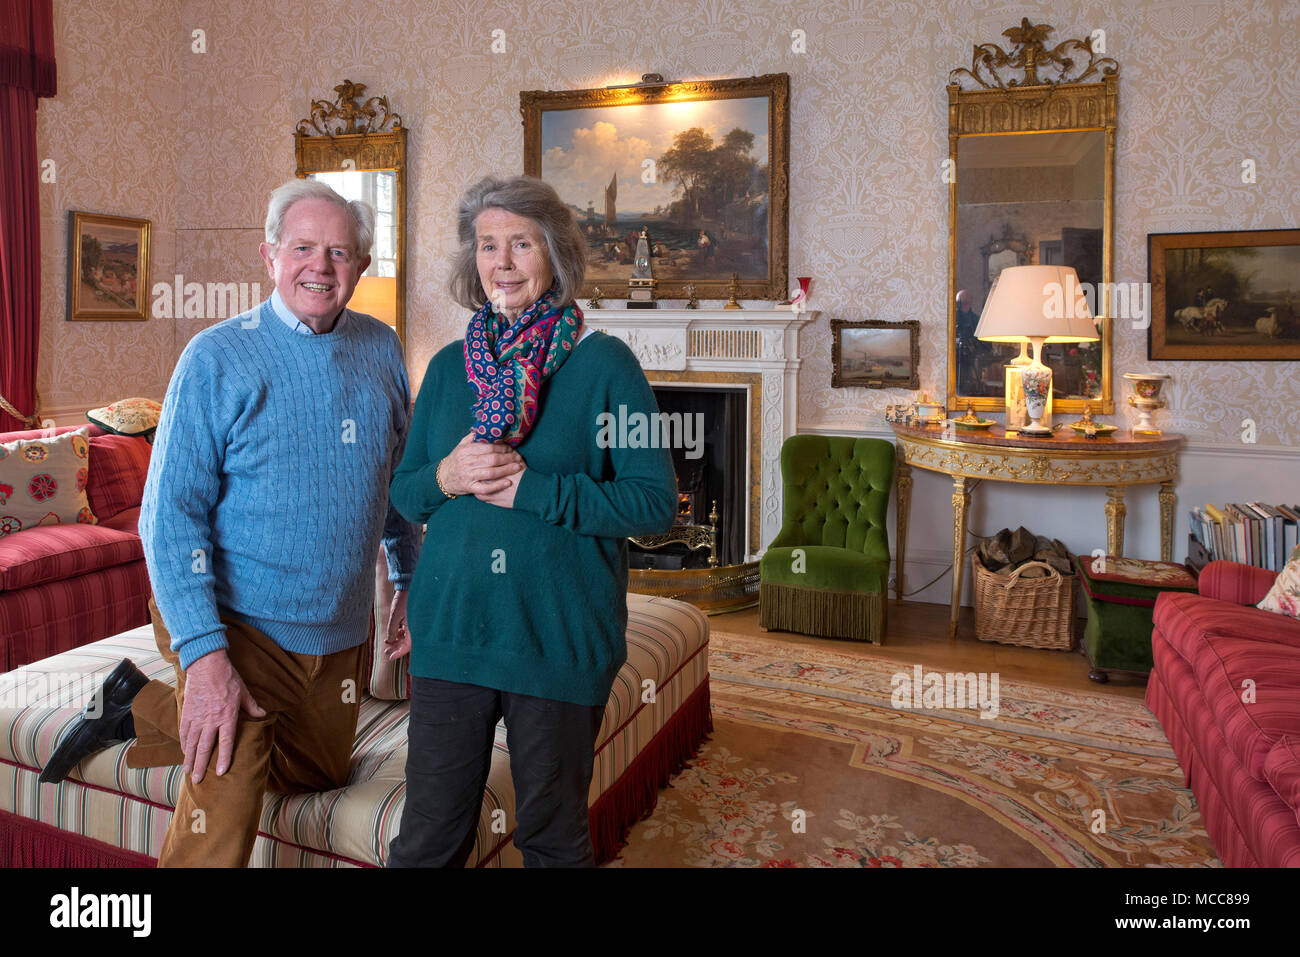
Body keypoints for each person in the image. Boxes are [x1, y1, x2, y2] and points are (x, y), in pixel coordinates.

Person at [38, 178, 421, 868]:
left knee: (314, 776)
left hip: (334, 634)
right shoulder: (217, 357)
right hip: (233, 618)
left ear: (362, 266)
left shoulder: (382, 348)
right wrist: (206, 657)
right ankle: (188, 694)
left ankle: (135, 703)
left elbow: (390, 478)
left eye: (340, 252)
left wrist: (409, 577)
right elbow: (166, 516)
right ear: (268, 255)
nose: (321, 266)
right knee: (229, 796)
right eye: (303, 247)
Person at [385, 174, 677, 868]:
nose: (503, 261)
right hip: (451, 632)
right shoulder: (451, 367)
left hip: (557, 636)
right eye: (489, 245)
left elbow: (652, 503)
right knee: (427, 840)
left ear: (554, 254)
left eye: (521, 242)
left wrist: (537, 492)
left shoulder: (606, 364)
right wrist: (447, 476)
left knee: (551, 840)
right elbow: (406, 493)